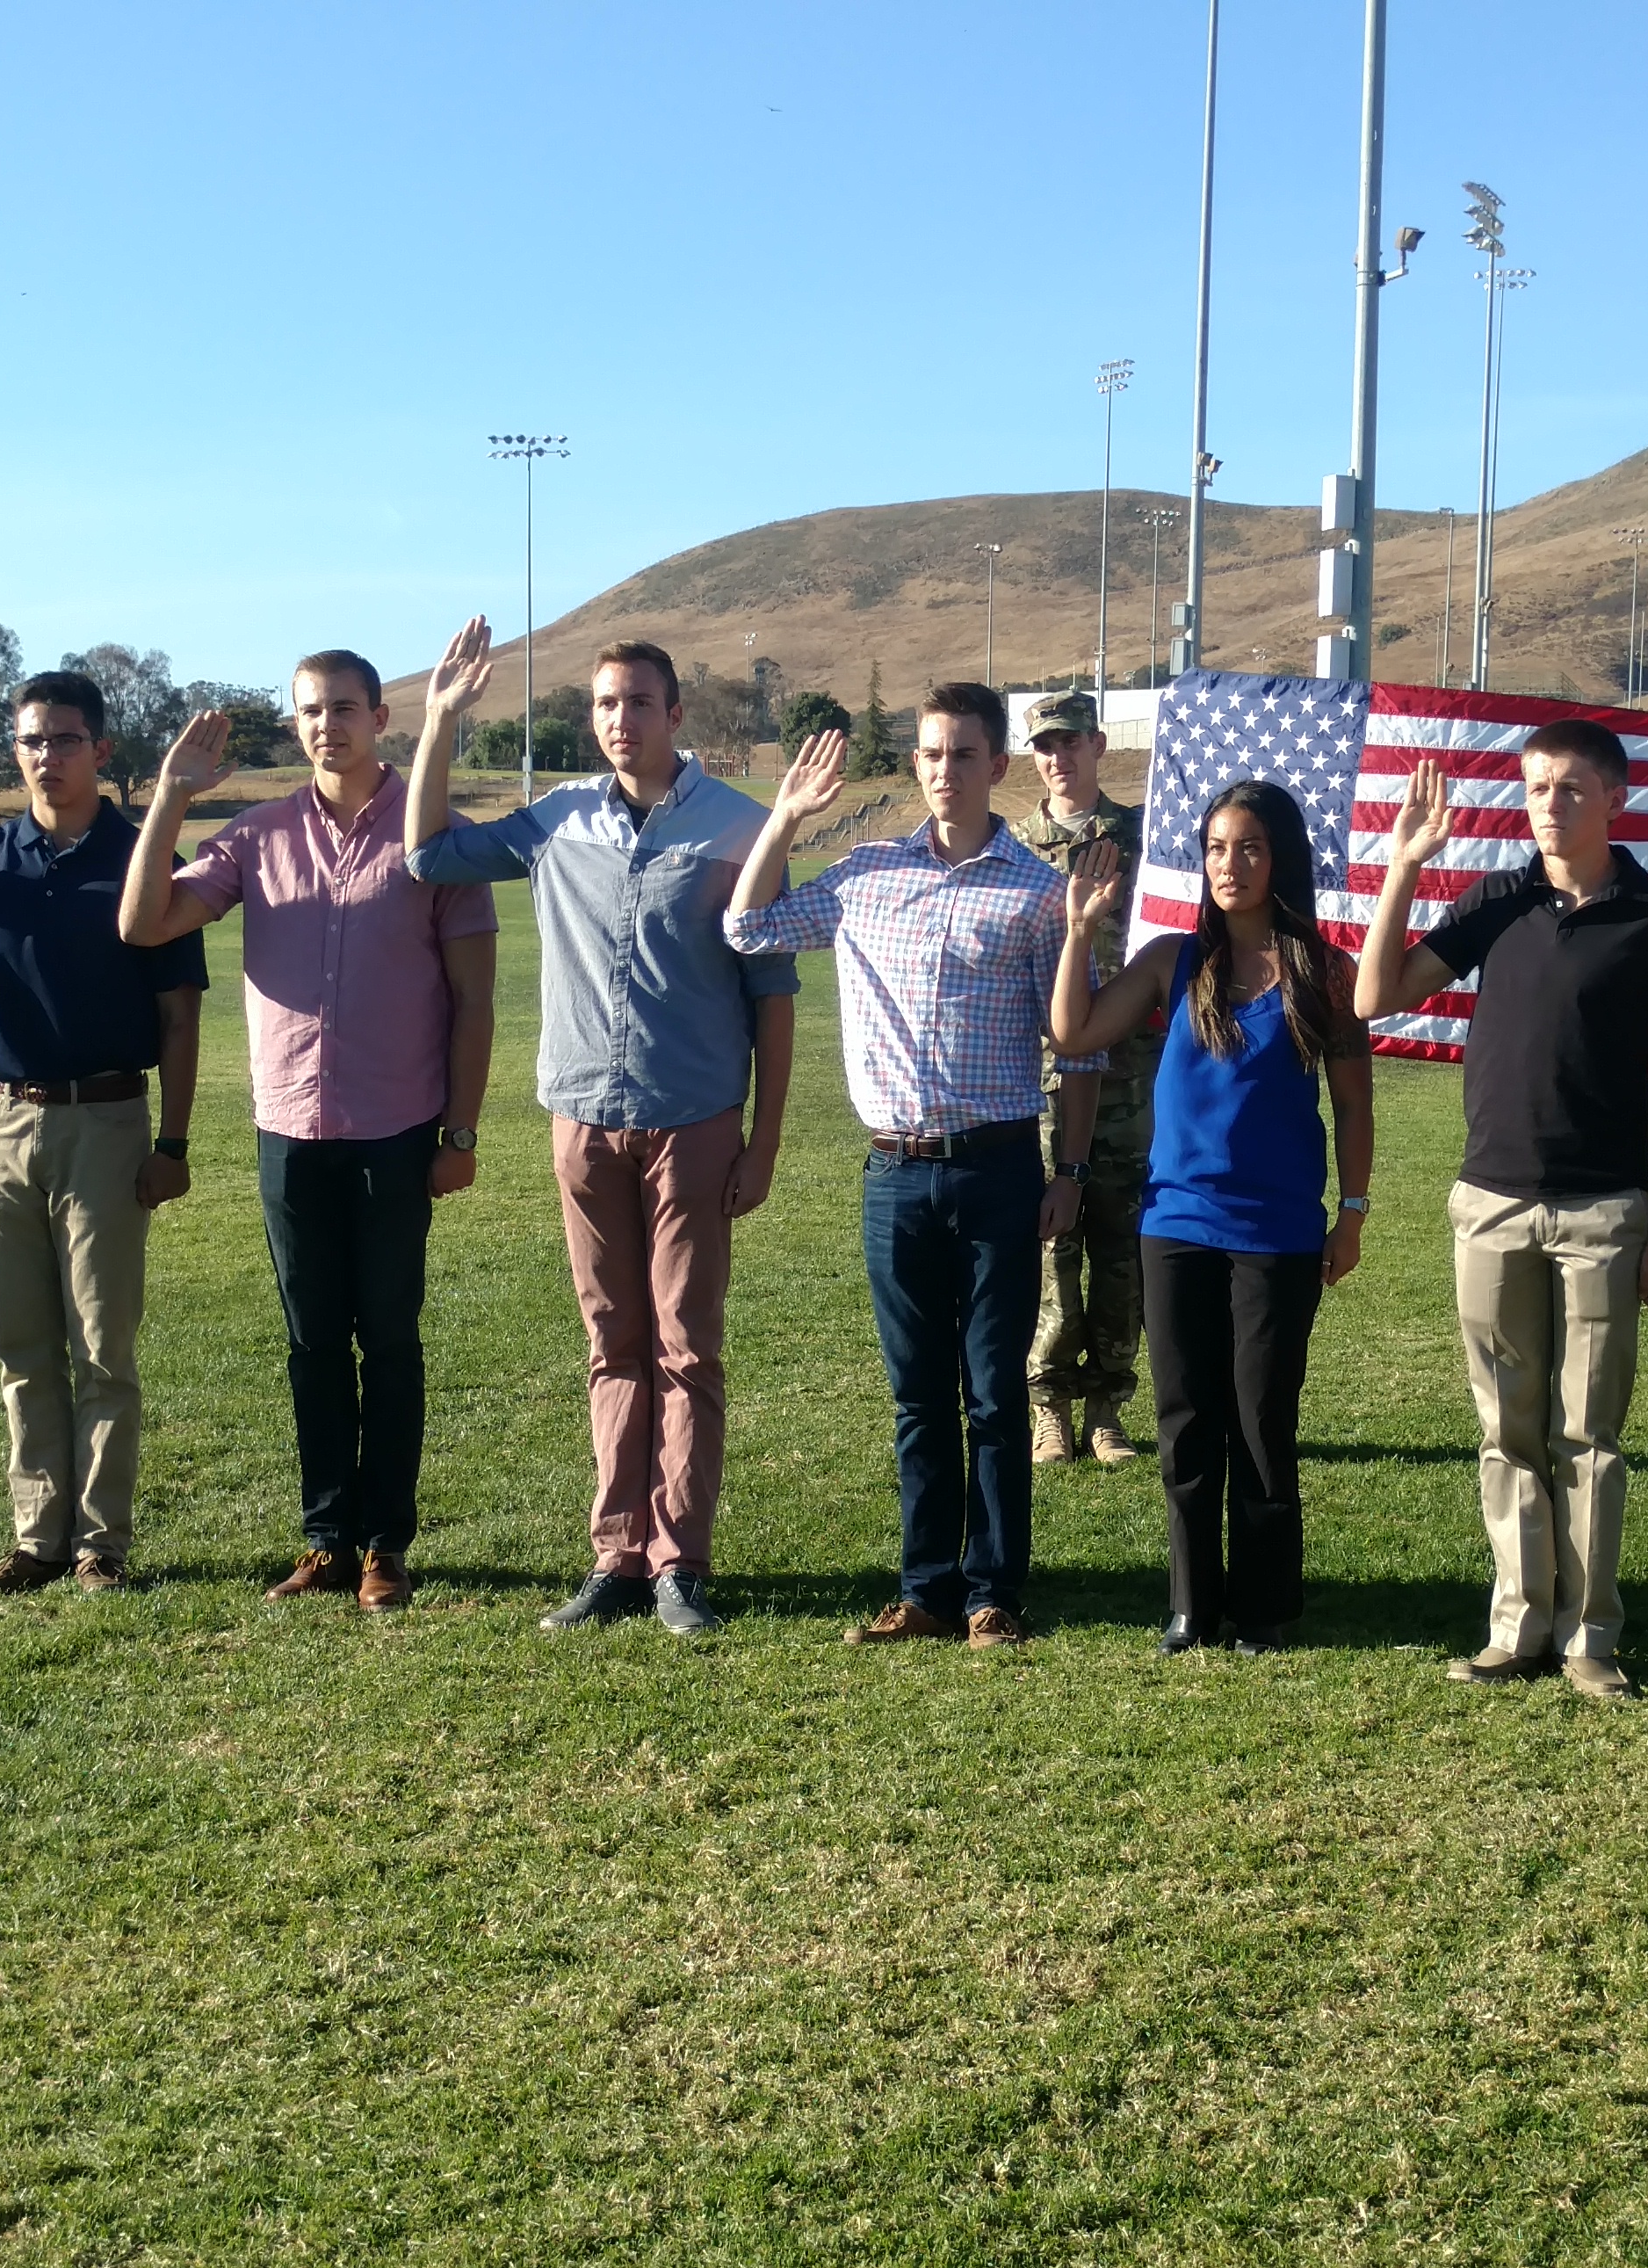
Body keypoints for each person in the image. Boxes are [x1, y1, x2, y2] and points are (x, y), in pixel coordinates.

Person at [404, 623, 796, 1635]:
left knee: (686, 1347)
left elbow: (774, 996)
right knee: (609, 1343)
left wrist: (764, 1141)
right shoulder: (554, 820)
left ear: (675, 713)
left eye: (637, 701)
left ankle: (680, 1566)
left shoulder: (742, 829)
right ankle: (617, 1557)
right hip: (581, 1115)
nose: (619, 719)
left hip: (694, 1119)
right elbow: (426, 853)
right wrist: (443, 720)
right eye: (604, 704)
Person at [119, 651, 499, 1612]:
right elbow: (143, 924)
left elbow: (475, 1001)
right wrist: (170, 796)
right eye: (308, 712)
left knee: (391, 1340)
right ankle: (327, 1539)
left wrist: (459, 1136)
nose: (325, 725)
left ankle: (386, 1546)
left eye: (341, 708)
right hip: (288, 1130)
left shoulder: (435, 833)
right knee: (312, 1343)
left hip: (397, 1129)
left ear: (378, 716)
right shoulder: (256, 835)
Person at [726, 685, 1095, 1644]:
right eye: (930, 755)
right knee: (918, 1396)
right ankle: (928, 1590)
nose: (943, 772)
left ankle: (994, 1593)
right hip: (893, 1175)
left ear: (996, 767)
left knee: (992, 1391)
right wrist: (785, 820)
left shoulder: (1035, 893)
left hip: (1001, 1168)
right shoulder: (863, 874)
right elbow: (749, 927)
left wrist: (1071, 1170)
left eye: (962, 755)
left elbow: (1080, 1049)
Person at [1355, 719, 1648, 1702]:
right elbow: (1374, 994)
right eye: (1536, 786)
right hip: (1492, 1205)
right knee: (1506, 1431)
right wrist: (1405, 867)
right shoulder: (1495, 901)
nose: (1549, 805)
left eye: (1571, 788)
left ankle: (1590, 1636)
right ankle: (1519, 1624)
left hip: (1603, 1211)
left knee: (1588, 1437)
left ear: (1614, 801)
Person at [0, 667, 209, 1595]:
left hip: (106, 1118)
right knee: (19, 1344)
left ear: (101, 750)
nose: (47, 755)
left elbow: (180, 1016)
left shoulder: (141, 859)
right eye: (32, 739)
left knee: (103, 1345)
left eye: (66, 739)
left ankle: (103, 1544)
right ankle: (37, 1541)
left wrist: (173, 1144)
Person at [1051, 779, 1375, 1650]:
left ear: (1281, 860)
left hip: (1276, 1233)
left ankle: (1264, 1609)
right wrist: (1081, 931)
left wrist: (1349, 1215)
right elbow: (1075, 1036)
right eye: (1217, 848)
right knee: (1186, 1420)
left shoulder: (1323, 969)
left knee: (1261, 1420)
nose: (1231, 865)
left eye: (1251, 848)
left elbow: (1351, 1104)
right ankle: (1192, 1606)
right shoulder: (1171, 959)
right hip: (1176, 1227)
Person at [1012, 688, 1153, 1466]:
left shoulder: (1143, 839)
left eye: (1071, 742)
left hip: (1131, 1074)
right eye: (1045, 746)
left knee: (1120, 1244)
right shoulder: (1016, 847)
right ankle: (1048, 1405)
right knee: (1050, 1245)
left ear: (1099, 745)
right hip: (1037, 1079)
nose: (1058, 758)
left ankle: (1108, 1407)